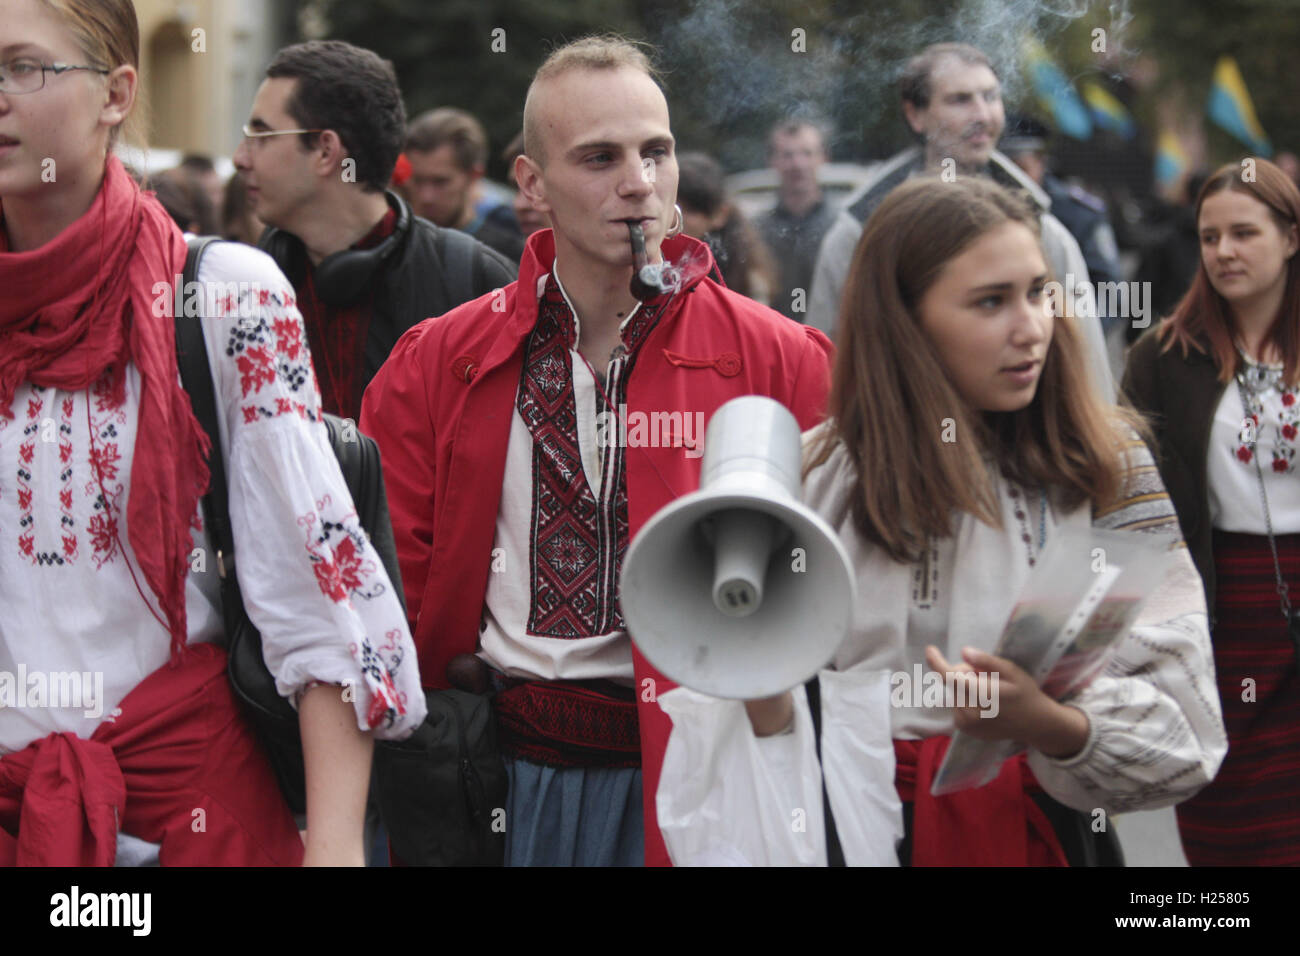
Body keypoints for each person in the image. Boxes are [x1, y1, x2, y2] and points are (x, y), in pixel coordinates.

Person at [656, 176, 1226, 866]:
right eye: (991, 301)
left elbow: (1185, 727)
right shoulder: (812, 475)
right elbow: (762, 718)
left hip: (1037, 836)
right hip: (850, 830)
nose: (1032, 327)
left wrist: (1049, 723)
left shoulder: (1102, 464)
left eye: (1039, 291)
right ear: (905, 320)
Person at [361, 34, 832, 867]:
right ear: (532, 185)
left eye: (657, 151)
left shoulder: (781, 359)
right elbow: (386, 593)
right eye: (600, 157)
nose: (639, 184)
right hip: (498, 777)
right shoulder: (437, 361)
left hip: (708, 772)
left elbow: (838, 594)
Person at [0, 0, 426, 866]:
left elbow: (316, 590)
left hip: (190, 821)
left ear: (117, 93)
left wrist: (336, 846)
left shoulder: (224, 292)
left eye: (24, 66)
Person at [1123, 158, 1300, 866]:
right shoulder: (1164, 356)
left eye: (1244, 233)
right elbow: (1126, 502)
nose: (1224, 251)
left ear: (1291, 238)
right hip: (1224, 611)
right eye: (1209, 236)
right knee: (1234, 825)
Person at [807, 42, 1113, 400]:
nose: (982, 114)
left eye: (991, 97)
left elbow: (1086, 363)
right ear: (916, 115)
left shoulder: (1043, 231)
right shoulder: (860, 233)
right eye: (961, 100)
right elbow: (824, 365)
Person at [232, 42, 515, 422]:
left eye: (261, 136)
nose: (240, 158)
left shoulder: (475, 283)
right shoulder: (247, 284)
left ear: (325, 151)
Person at [1002, 114, 1125, 337]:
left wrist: (1068, 334)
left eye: (1021, 168)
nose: (1012, 180)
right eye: (1004, 170)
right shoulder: (982, 209)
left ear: (1041, 163)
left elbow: (1110, 296)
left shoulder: (1077, 215)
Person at [405, 107, 526, 262]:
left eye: (440, 182)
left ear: (474, 176)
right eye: (417, 180)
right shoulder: (394, 252)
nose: (426, 196)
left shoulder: (509, 257)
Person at [755, 119, 839, 321]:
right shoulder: (755, 231)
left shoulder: (842, 227)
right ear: (772, 161)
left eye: (807, 153)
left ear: (823, 158)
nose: (797, 164)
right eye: (787, 155)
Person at [676, 150, 779, 305]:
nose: (676, 216)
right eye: (672, 206)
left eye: (690, 211)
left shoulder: (746, 279)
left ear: (719, 215)